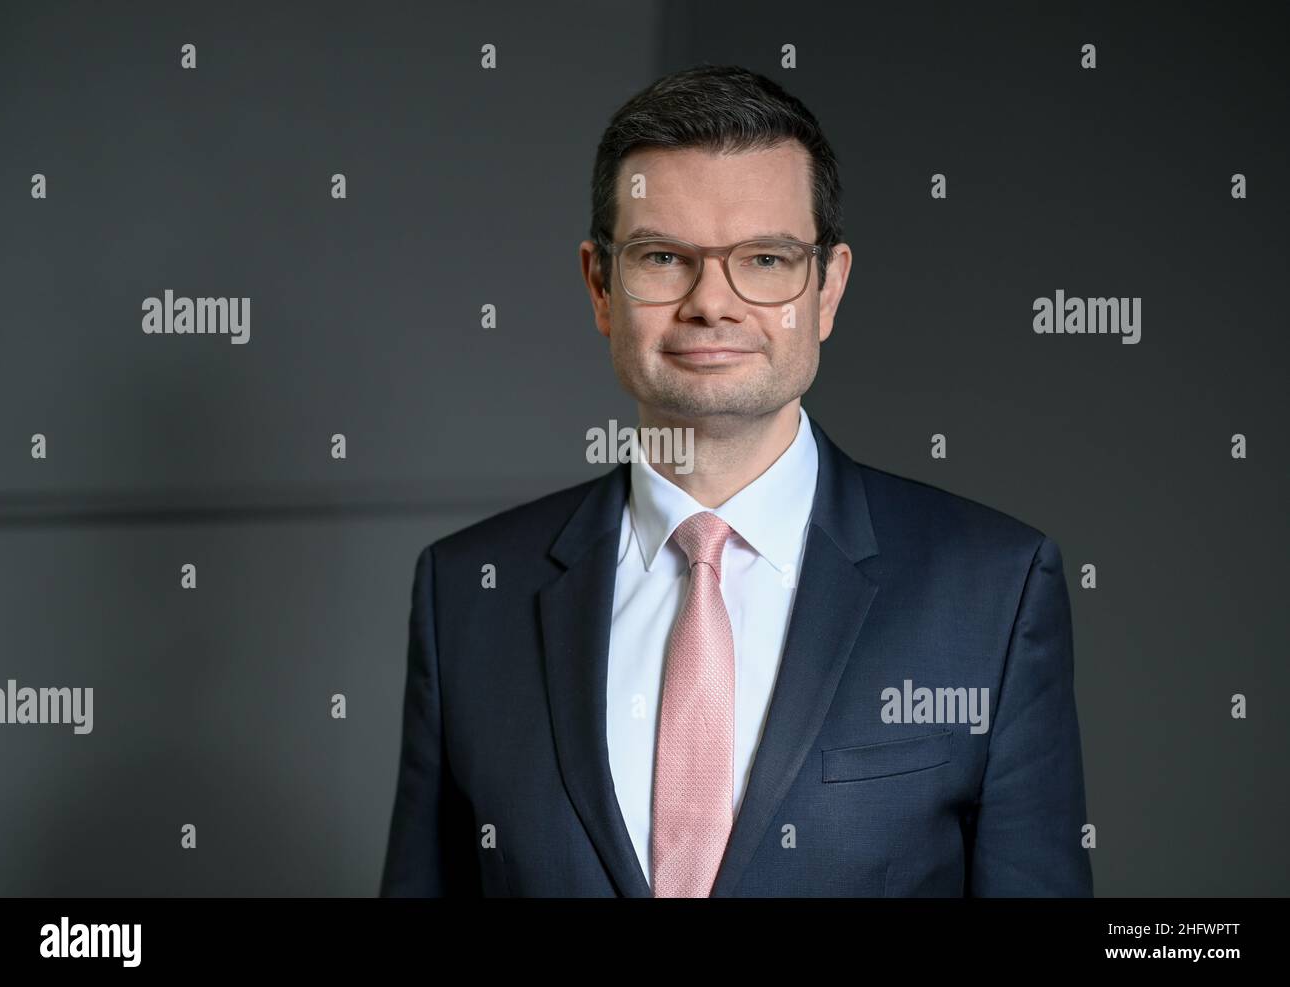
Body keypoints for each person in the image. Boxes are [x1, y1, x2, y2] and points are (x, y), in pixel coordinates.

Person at [380, 64, 1093, 897]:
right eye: (662, 256)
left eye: (764, 258)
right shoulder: (466, 592)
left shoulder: (993, 589)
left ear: (827, 289)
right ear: (600, 285)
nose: (711, 303)